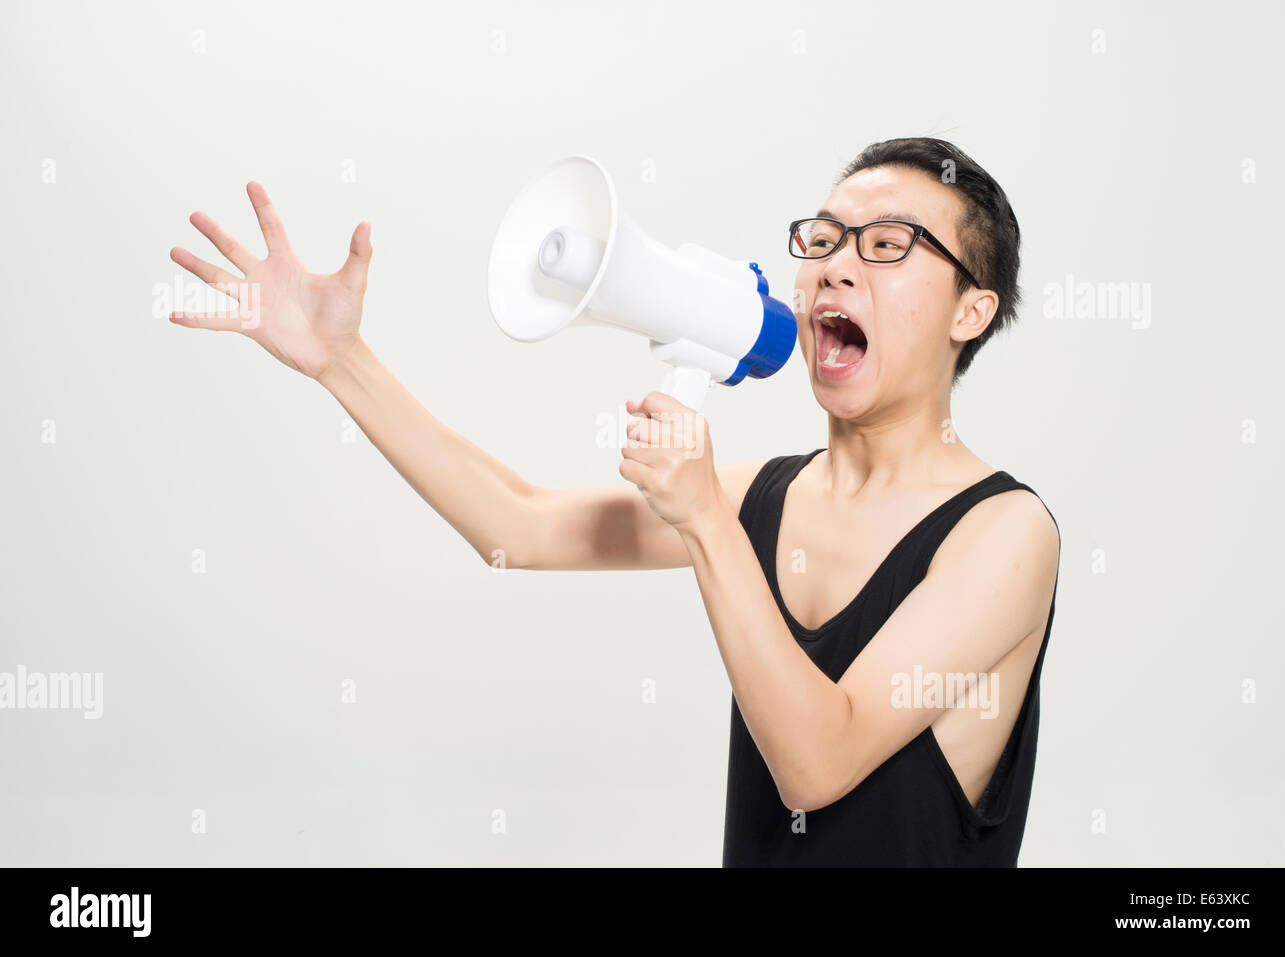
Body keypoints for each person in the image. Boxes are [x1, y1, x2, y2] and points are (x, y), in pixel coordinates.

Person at [167, 136, 1060, 866]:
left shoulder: (1005, 533)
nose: (834, 267)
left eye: (889, 245)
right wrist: (341, 362)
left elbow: (817, 763)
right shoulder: (765, 495)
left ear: (971, 312)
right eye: (823, 240)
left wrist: (706, 520)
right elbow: (513, 526)